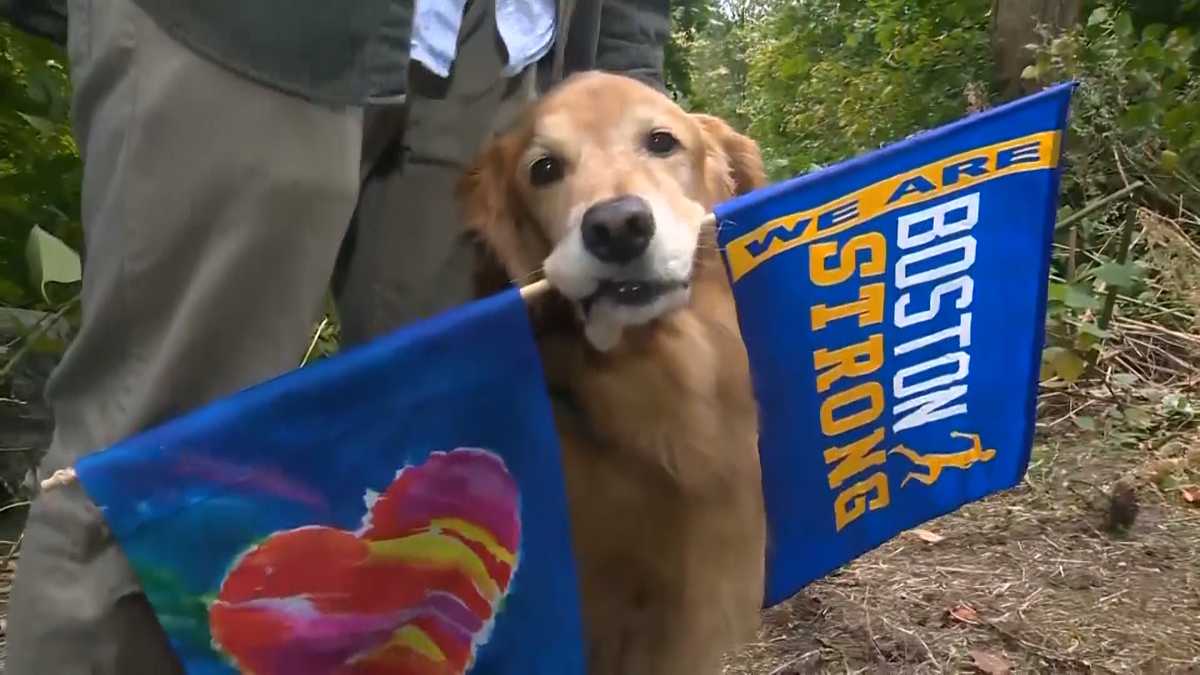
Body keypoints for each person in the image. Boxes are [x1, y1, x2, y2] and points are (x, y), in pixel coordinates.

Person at [1, 0, 669, 672]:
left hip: (497, 54)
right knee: (157, 467)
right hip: (237, 29)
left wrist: (627, 97)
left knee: (444, 487)